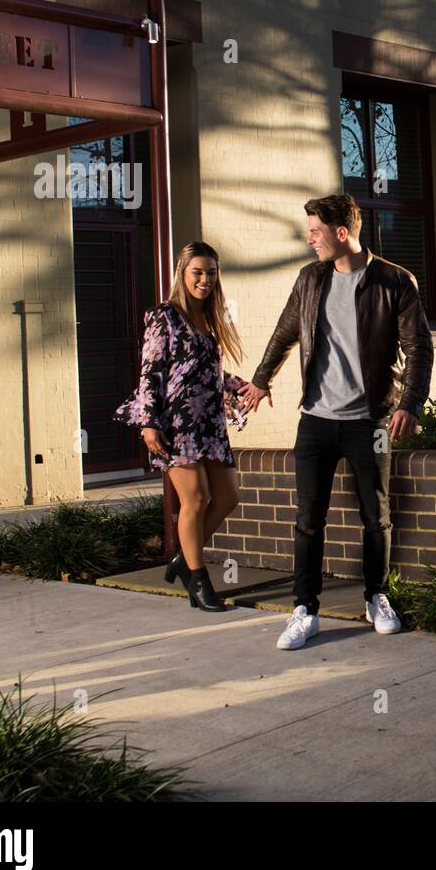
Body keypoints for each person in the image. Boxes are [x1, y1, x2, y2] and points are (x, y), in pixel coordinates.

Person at [241, 195, 433, 649]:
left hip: (371, 422)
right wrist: (261, 379)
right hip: (316, 421)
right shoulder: (311, 279)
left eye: (315, 232)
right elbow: (286, 330)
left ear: (341, 233)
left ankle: (376, 596)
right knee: (308, 519)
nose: (310, 239)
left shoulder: (394, 281)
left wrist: (409, 403)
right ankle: (304, 609)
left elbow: (420, 348)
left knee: (377, 517)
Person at [115, 241, 262, 612]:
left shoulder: (209, 320)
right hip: (177, 423)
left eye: (211, 273)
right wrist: (148, 423)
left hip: (210, 423)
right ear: (182, 273)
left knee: (227, 497)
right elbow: (152, 372)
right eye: (198, 272)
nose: (205, 280)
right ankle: (198, 581)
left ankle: (183, 559)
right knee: (194, 500)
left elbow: (203, 372)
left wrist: (239, 386)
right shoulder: (163, 316)